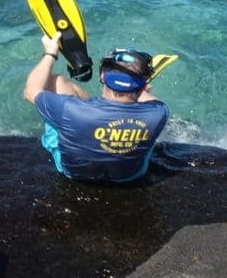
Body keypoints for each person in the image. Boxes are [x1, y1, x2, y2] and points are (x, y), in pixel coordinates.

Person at [23, 32, 169, 183]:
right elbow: (151, 99)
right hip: (130, 175)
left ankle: (95, 110)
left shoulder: (70, 109)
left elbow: (30, 91)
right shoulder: (159, 112)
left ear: (102, 76)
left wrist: (50, 53)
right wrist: (140, 88)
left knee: (57, 81)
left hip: (75, 173)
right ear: (144, 86)